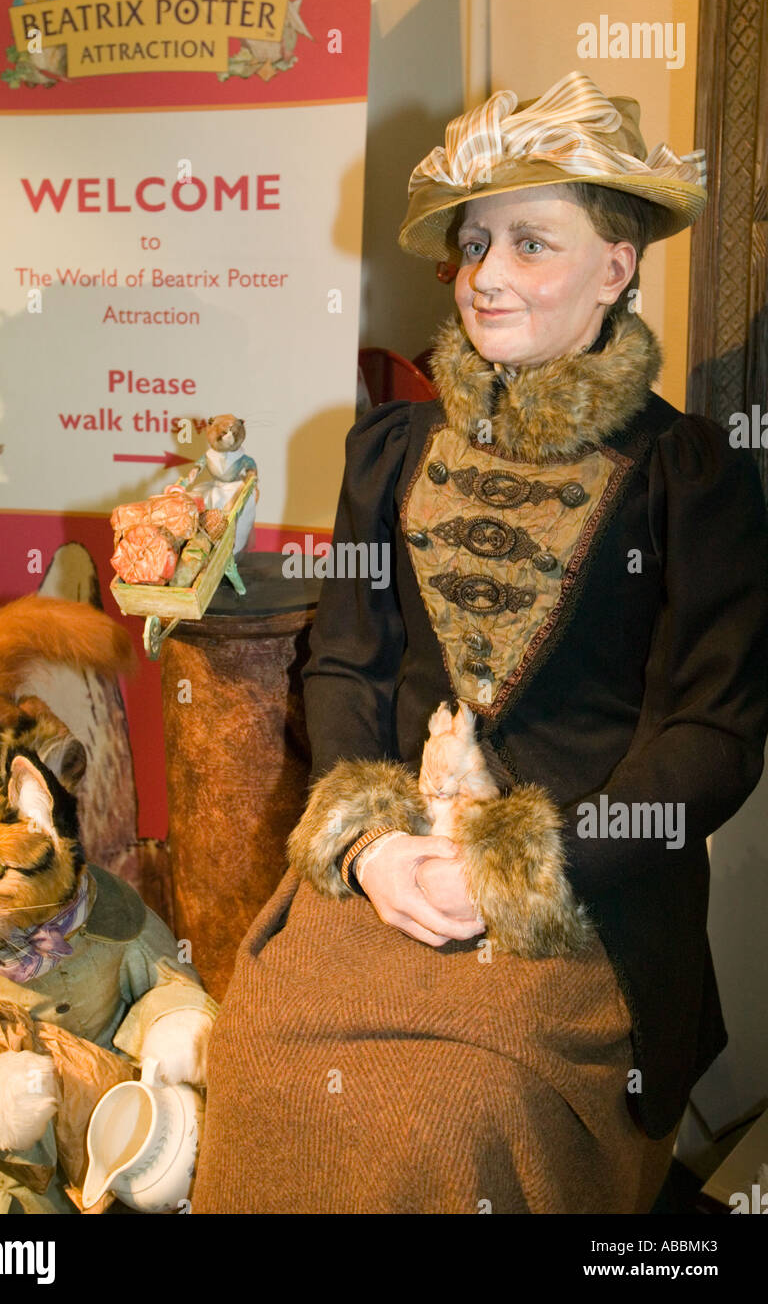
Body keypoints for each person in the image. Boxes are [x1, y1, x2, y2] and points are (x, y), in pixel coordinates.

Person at [191, 70, 768, 1214]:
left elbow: (713, 733)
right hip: (396, 857)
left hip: (587, 896)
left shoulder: (687, 472)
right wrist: (365, 845)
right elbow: (347, 662)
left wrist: (532, 863)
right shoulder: (391, 449)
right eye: (474, 243)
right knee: (260, 1067)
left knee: (450, 1117)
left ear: (617, 265)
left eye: (531, 244)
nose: (488, 275)